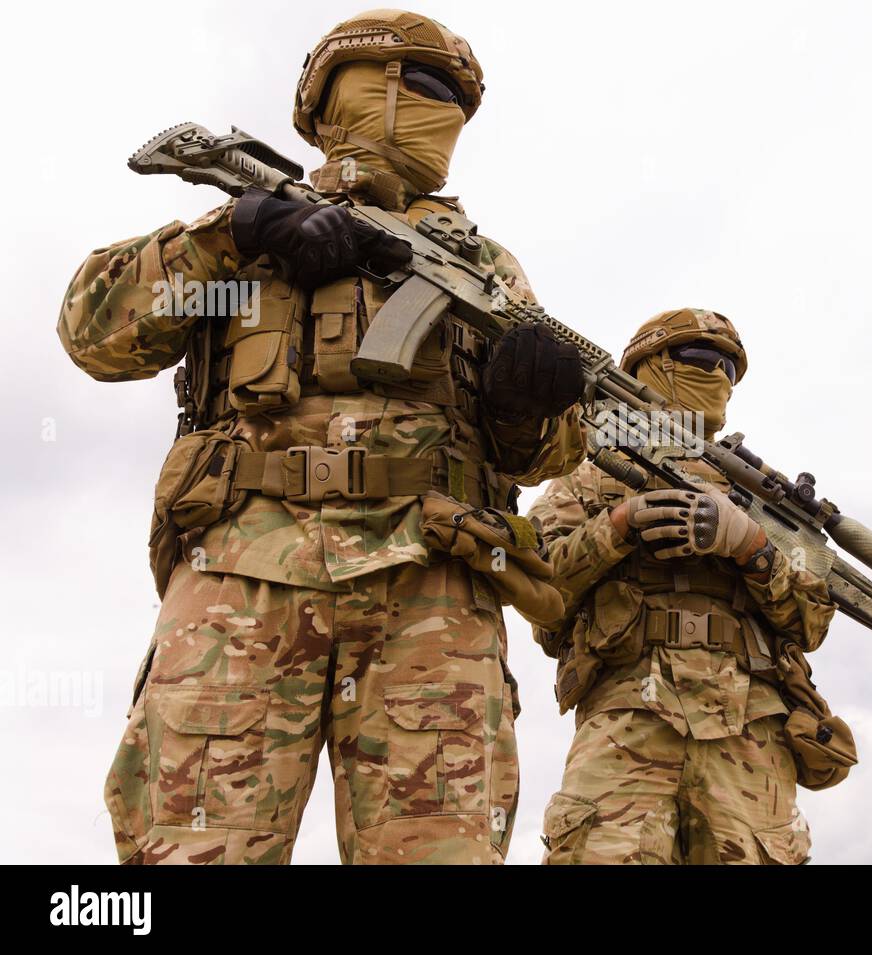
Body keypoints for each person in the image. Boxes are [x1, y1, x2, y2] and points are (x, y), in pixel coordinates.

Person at [57, 9, 584, 865]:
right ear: (337, 92)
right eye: (414, 85)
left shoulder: (487, 269)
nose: (430, 108)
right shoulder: (247, 229)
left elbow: (548, 451)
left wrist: (534, 406)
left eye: (450, 95)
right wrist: (232, 235)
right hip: (241, 581)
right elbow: (92, 330)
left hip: (432, 589)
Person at [528, 308, 845, 865]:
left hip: (750, 728)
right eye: (701, 359)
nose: (720, 376)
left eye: (731, 367)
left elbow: (811, 622)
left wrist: (750, 546)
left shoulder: (761, 497)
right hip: (628, 715)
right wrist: (620, 525)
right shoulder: (588, 471)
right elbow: (540, 596)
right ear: (649, 364)